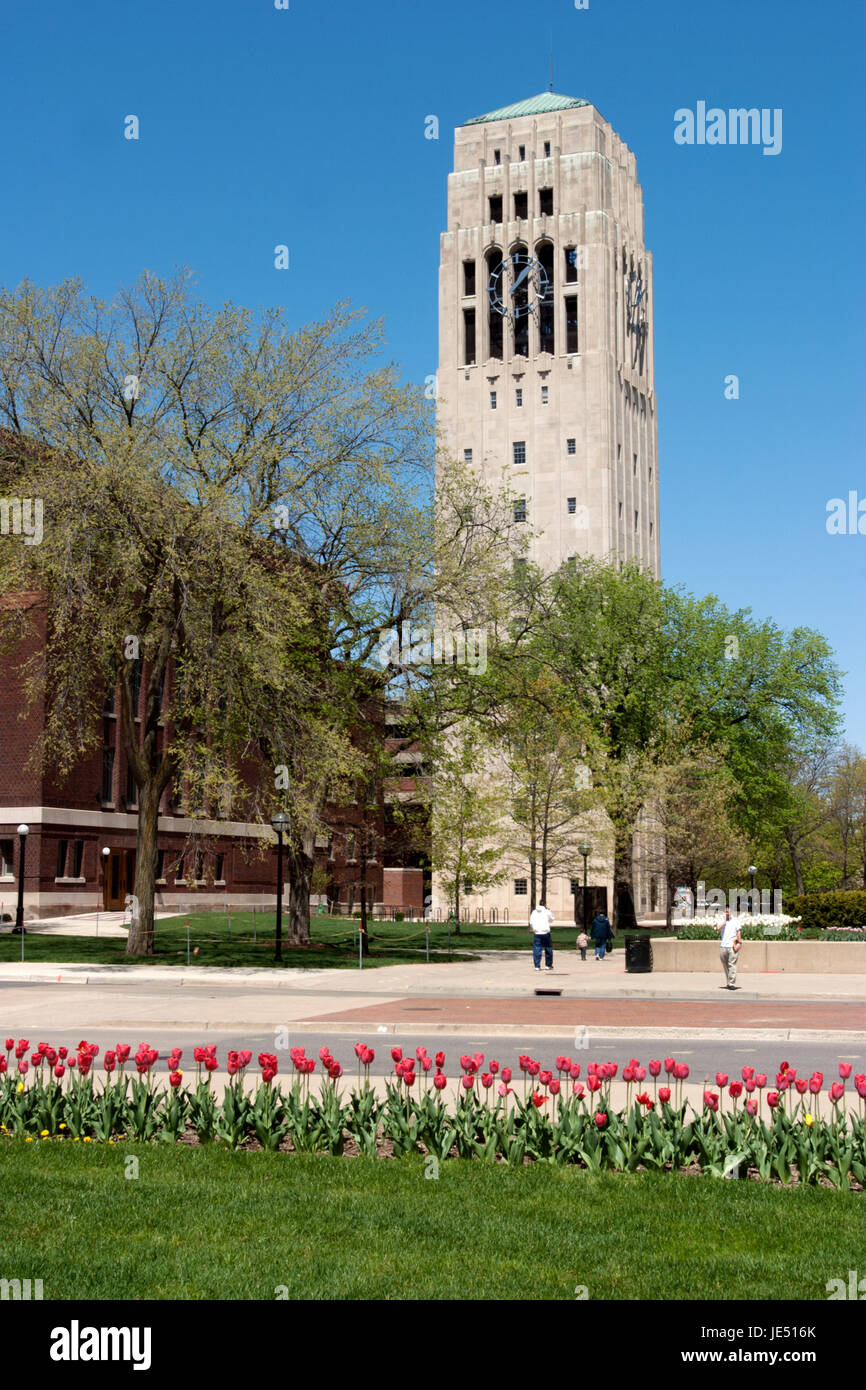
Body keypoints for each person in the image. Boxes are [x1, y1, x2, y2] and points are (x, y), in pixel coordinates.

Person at [719, 907, 743, 989]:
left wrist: (739, 943)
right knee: (725, 965)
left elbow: (738, 932)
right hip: (723, 946)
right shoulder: (721, 920)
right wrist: (725, 920)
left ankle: (731, 983)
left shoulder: (736, 920)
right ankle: (728, 982)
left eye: (728, 912)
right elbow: (718, 927)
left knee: (732, 965)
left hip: (732, 946)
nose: (727, 913)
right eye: (726, 912)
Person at [529, 901, 555, 970]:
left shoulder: (534, 912)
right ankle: (548, 965)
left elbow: (531, 922)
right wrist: (549, 910)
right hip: (545, 932)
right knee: (548, 948)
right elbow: (552, 919)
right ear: (545, 905)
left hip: (537, 933)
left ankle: (537, 966)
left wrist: (534, 928)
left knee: (537, 949)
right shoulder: (546, 912)